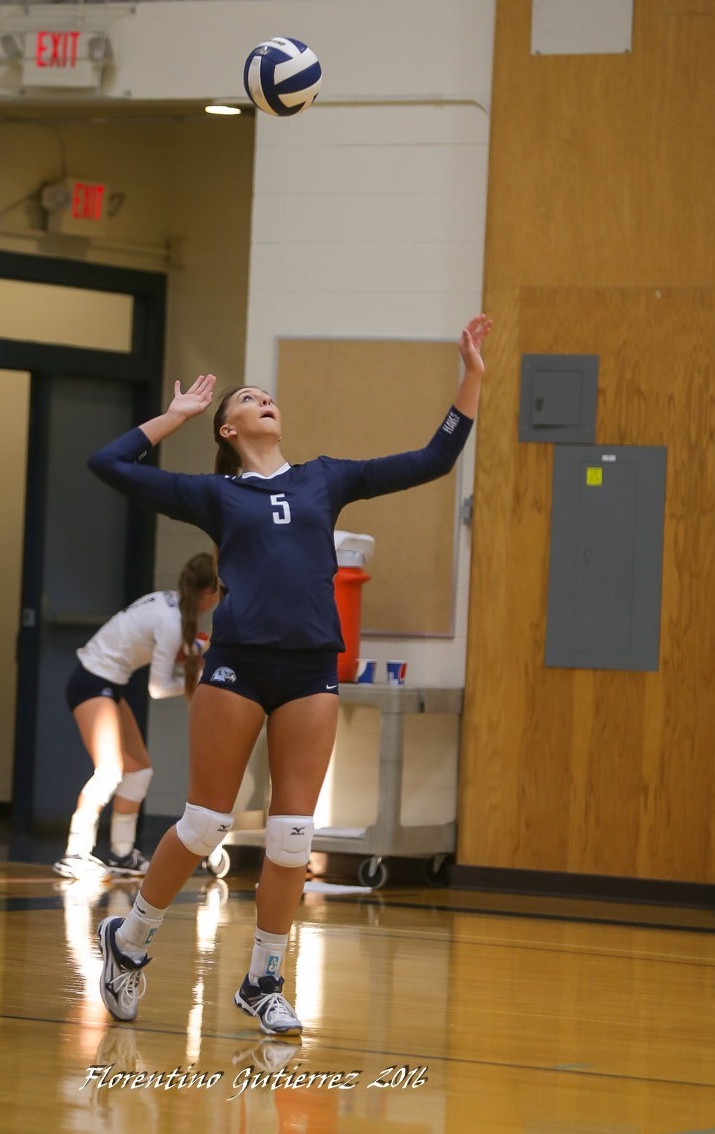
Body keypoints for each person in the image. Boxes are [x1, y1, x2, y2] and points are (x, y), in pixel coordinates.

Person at [87, 313, 491, 1036]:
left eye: (266, 394)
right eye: (246, 397)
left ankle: (263, 979)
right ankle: (132, 940)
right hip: (239, 664)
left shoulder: (324, 479)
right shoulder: (217, 495)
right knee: (206, 822)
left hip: (309, 666)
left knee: (293, 835)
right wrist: (171, 417)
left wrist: (472, 378)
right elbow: (108, 465)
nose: (262, 398)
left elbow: (432, 460)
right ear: (227, 429)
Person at [53, 551, 219, 880]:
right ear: (207, 594)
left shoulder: (172, 604)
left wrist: (197, 650)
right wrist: (201, 677)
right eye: (219, 593)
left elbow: (164, 648)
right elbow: (157, 688)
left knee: (139, 770)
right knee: (110, 770)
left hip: (111, 682)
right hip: (91, 680)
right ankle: (74, 853)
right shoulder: (173, 620)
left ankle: (121, 854)